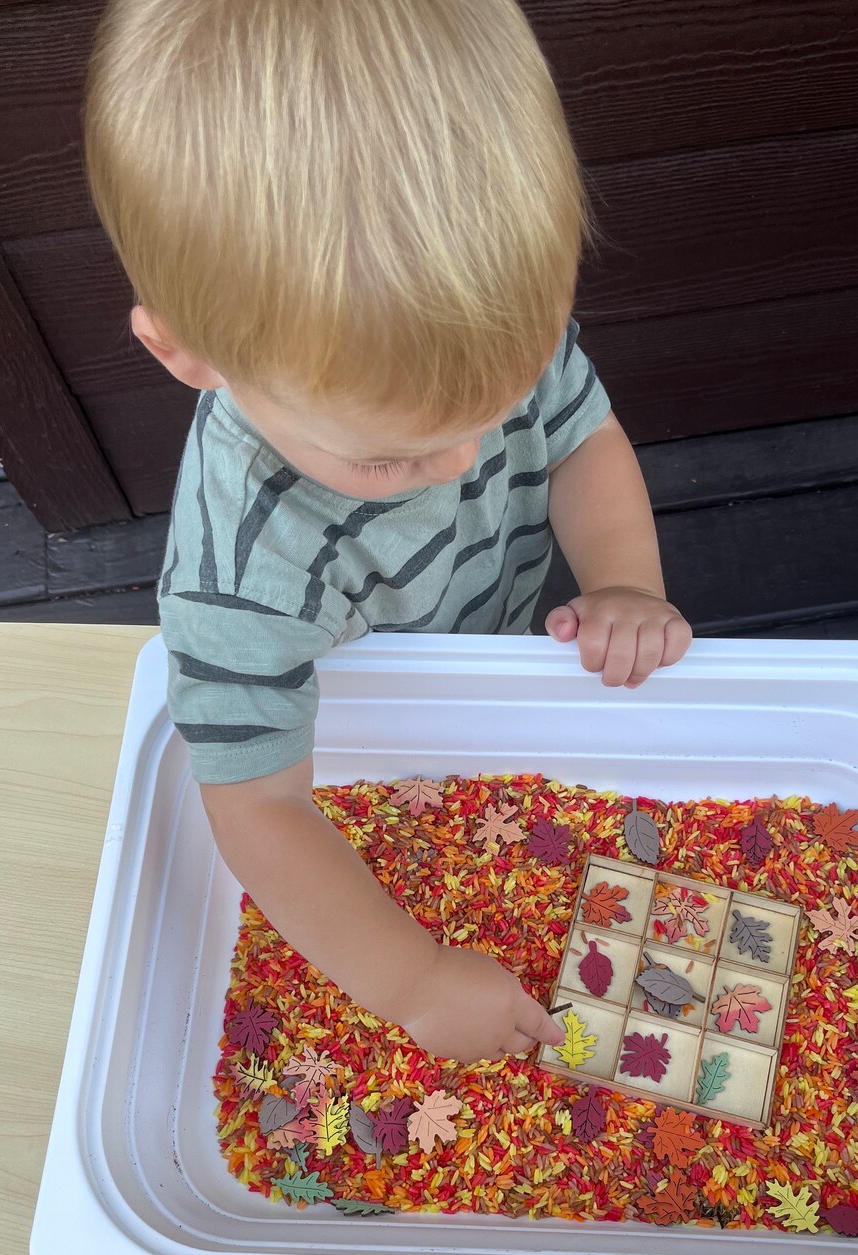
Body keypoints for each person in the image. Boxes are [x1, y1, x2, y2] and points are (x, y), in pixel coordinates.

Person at [85, 0, 692, 1064]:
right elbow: (261, 808)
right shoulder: (242, 576)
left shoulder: (483, 329)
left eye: (492, 415)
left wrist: (627, 584)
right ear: (189, 356)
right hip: (372, 714)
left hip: (501, 654)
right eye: (391, 459)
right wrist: (412, 979)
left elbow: (587, 442)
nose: (462, 467)